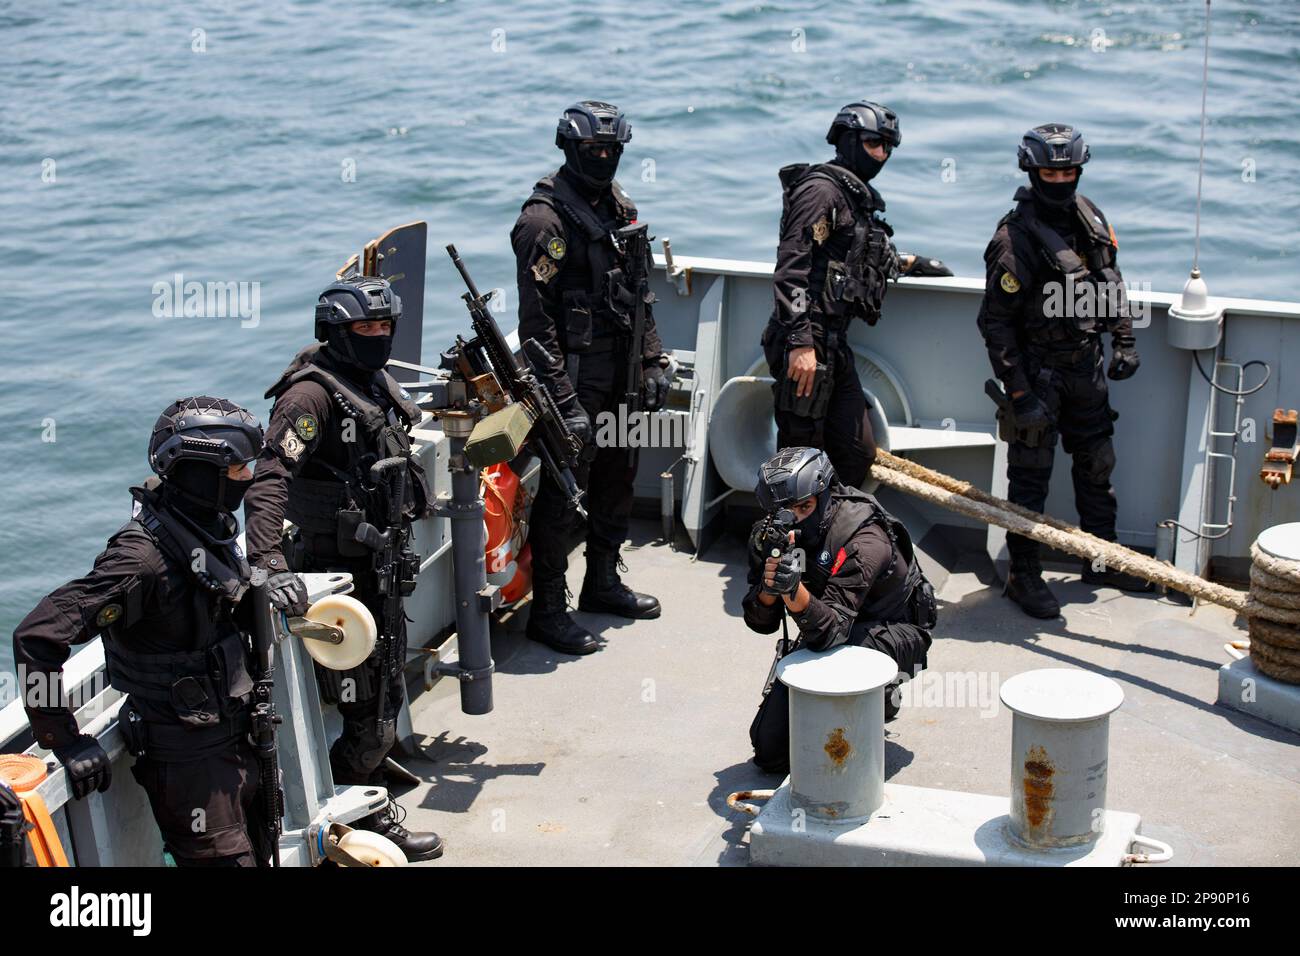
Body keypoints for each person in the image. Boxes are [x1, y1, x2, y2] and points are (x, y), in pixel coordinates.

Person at [12, 397, 282, 866]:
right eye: (238, 470)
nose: (248, 478)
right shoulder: (140, 562)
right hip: (187, 758)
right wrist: (64, 738)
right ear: (202, 471)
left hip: (235, 737)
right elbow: (38, 635)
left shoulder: (206, 528)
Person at [241, 276, 444, 861]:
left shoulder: (366, 378)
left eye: (385, 327)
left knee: (382, 689)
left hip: (378, 566)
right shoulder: (310, 398)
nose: (379, 337)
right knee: (365, 702)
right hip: (338, 577)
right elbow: (269, 480)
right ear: (335, 332)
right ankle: (352, 826)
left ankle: (366, 800)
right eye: (365, 329)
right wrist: (268, 562)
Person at [509, 99, 669, 656]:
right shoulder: (544, 221)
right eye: (593, 150)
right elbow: (536, 326)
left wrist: (651, 358)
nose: (604, 158)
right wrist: (563, 400)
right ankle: (549, 610)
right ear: (570, 149)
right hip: (573, 379)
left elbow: (640, 290)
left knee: (618, 479)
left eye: (613, 150)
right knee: (562, 496)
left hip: (620, 371)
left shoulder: (616, 205)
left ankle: (602, 581)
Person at [976, 124, 1150, 619]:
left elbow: (1109, 280)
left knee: (1098, 464)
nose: (1060, 179)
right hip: (1038, 375)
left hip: (1086, 367)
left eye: (1068, 171)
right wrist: (1020, 393)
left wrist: (1125, 339)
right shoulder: (1015, 239)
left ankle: (1103, 557)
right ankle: (1023, 573)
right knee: (1030, 480)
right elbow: (995, 323)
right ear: (1032, 172)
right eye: (1050, 171)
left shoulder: (1090, 216)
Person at [761, 100, 952, 489]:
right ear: (847, 140)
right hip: (805, 340)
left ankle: (830, 536)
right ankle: (784, 544)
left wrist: (909, 263)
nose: (881, 154)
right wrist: (800, 343)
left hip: (834, 344)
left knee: (856, 452)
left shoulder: (854, 199)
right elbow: (790, 270)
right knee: (799, 461)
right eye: (872, 143)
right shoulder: (820, 191)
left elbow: (858, 255)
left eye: (887, 147)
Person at [743, 447, 936, 774]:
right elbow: (760, 622)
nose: (795, 521)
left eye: (804, 508)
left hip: (888, 631)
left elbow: (832, 632)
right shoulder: (770, 536)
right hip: (828, 621)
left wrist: (793, 590)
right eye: (783, 512)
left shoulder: (863, 539)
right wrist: (769, 586)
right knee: (770, 750)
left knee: (835, 743)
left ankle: (879, 694)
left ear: (824, 495)